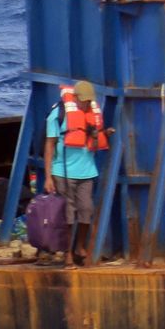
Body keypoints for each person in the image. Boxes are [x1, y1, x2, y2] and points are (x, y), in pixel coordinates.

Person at [41, 80, 111, 267]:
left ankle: (80, 246)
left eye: (90, 101)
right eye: (84, 101)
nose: (87, 104)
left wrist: (103, 135)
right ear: (76, 98)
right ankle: (68, 253)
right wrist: (48, 177)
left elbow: (95, 142)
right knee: (68, 215)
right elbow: (49, 145)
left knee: (86, 210)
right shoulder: (58, 115)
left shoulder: (93, 114)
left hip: (87, 172)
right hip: (63, 172)